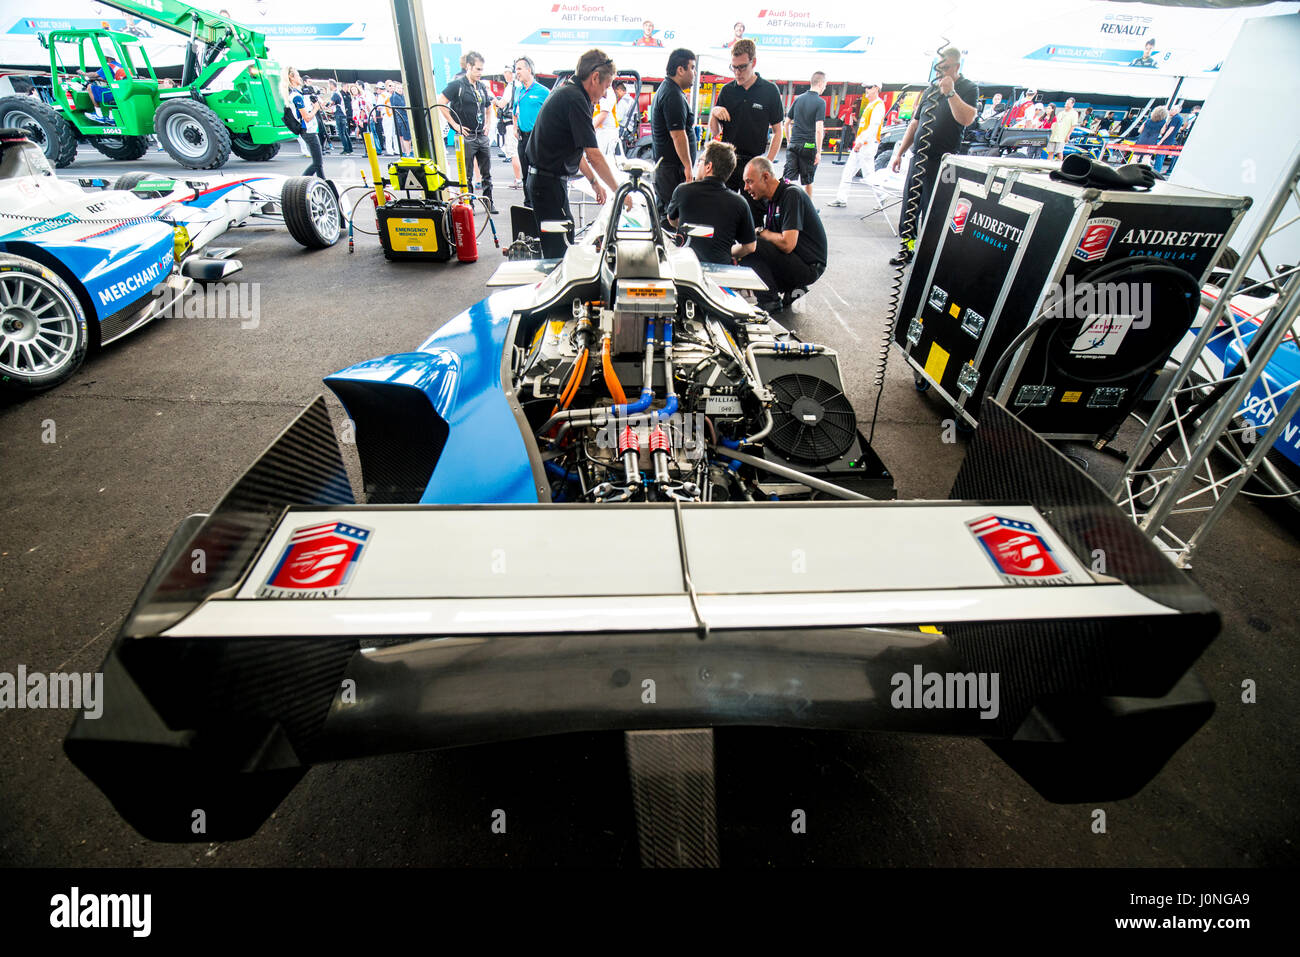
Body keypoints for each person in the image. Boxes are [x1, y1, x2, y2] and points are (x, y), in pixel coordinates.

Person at [526, 49, 623, 257]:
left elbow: (573, 148)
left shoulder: (570, 92)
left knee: (564, 244)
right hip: (548, 184)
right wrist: (621, 191)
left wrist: (594, 181)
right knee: (559, 255)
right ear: (595, 78)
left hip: (548, 183)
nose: (606, 93)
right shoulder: (575, 99)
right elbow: (594, 155)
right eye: (606, 86)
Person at [889, 46, 978, 265]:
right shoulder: (930, 90)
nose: (940, 72)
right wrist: (900, 153)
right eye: (937, 68)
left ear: (956, 66)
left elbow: (967, 118)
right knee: (910, 209)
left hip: (944, 163)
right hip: (919, 159)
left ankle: (929, 256)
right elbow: (915, 124)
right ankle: (907, 249)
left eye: (945, 67)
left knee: (935, 211)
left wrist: (950, 92)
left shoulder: (967, 88)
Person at [739, 157, 827, 312]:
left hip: (809, 266)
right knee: (753, 244)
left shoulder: (791, 195)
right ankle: (791, 289)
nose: (746, 188)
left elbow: (787, 244)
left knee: (753, 245)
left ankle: (770, 301)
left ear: (766, 177)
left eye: (749, 181)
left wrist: (762, 233)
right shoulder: (772, 199)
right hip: (797, 259)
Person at [708, 38, 784, 218]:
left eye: (742, 67)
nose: (737, 72)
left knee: (754, 216)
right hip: (728, 162)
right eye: (733, 67)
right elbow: (715, 132)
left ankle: (751, 246)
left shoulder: (769, 90)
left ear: (753, 62)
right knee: (723, 213)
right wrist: (714, 113)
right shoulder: (727, 91)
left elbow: (778, 131)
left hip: (754, 163)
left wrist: (768, 163)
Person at [665, 140, 755, 265]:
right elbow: (750, 246)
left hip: (684, 267)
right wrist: (727, 251)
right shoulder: (739, 203)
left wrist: (690, 227)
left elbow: (672, 220)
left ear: (709, 166)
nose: (698, 165)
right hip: (720, 271)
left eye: (700, 160)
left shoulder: (683, 191)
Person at [440, 51, 496, 212]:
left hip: (481, 135)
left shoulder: (481, 86)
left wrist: (488, 123)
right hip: (466, 135)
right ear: (469, 67)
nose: (480, 73)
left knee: (487, 173)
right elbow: (441, 103)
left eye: (482, 69)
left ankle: (488, 202)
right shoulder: (457, 85)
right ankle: (468, 204)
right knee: (467, 174)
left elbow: (488, 106)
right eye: (478, 69)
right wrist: (455, 125)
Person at [650, 48, 697, 217]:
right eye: (692, 67)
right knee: (671, 218)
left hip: (669, 170)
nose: (694, 73)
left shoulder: (671, 91)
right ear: (680, 69)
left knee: (670, 215)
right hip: (672, 171)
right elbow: (678, 135)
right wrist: (688, 167)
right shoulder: (672, 94)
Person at [827, 81, 884, 208]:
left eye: (869, 88)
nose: (866, 91)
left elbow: (873, 127)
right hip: (862, 144)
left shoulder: (878, 105)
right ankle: (841, 198)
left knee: (869, 174)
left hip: (867, 145)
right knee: (849, 172)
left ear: (876, 88)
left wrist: (861, 142)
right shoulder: (871, 105)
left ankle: (882, 196)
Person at [783, 72, 828, 199]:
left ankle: (784, 205)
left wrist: (790, 140)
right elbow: (819, 130)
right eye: (825, 84)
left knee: (788, 178)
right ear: (820, 83)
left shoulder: (798, 99)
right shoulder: (820, 103)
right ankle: (808, 209)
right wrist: (818, 152)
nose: (825, 87)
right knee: (808, 181)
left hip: (794, 144)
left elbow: (786, 123)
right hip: (809, 145)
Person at [511, 56, 549, 196]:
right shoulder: (518, 91)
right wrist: (515, 128)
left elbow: (552, 114)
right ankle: (528, 203)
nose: (517, 72)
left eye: (519, 69)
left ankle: (539, 202)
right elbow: (515, 111)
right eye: (516, 70)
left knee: (538, 174)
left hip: (537, 138)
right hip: (522, 138)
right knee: (526, 173)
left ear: (529, 69)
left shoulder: (543, 91)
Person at [287, 67, 325, 179]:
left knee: (318, 163)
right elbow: (307, 117)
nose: (300, 78)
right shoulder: (296, 96)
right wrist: (316, 108)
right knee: (318, 163)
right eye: (297, 75)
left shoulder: (298, 93)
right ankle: (301, 182)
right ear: (291, 77)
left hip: (310, 130)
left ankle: (323, 182)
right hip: (308, 130)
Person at [1155, 102, 1183, 174]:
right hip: (1170, 140)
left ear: (1176, 111)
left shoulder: (1176, 118)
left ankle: (1156, 171)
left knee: (1159, 156)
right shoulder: (1178, 118)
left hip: (1167, 140)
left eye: (1172, 110)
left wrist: (1162, 140)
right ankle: (1157, 171)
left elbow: (1170, 130)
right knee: (1161, 156)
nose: (1170, 111)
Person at [328, 80, 352, 154]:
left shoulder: (336, 94)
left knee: (342, 133)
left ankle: (346, 149)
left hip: (340, 115)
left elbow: (330, 103)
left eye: (329, 85)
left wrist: (326, 106)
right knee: (345, 133)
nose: (329, 86)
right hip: (342, 114)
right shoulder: (338, 93)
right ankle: (349, 149)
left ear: (332, 85)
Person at [390, 80, 412, 157]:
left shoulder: (398, 96)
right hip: (402, 119)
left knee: (402, 136)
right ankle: (407, 152)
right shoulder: (396, 97)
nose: (400, 89)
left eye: (401, 88)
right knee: (406, 137)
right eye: (398, 88)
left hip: (400, 119)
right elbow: (405, 107)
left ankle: (405, 152)